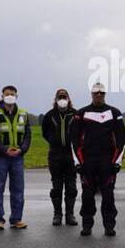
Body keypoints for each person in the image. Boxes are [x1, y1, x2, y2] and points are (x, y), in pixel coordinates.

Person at [70, 82, 125, 236]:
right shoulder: (81, 113)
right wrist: (78, 162)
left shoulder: (114, 112)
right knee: (87, 195)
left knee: (108, 196)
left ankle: (109, 226)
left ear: (105, 94)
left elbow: (121, 139)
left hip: (107, 161)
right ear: (92, 94)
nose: (99, 95)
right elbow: (74, 140)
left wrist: (117, 162)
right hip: (87, 161)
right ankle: (87, 225)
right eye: (96, 93)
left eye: (102, 93)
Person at [0, 85, 31, 230]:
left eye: (12, 94)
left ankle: (16, 219)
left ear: (16, 96)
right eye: (7, 94)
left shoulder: (23, 113)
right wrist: (4, 150)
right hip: (0, 157)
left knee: (18, 189)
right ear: (2, 96)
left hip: (18, 157)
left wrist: (22, 150)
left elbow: (27, 135)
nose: (10, 96)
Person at [42, 88, 78, 227]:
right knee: (56, 187)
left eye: (64, 97)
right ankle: (57, 214)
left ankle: (70, 214)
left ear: (68, 99)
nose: (62, 99)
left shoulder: (75, 114)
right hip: (55, 154)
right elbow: (45, 132)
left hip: (71, 154)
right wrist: (53, 140)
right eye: (60, 97)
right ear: (56, 99)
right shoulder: (49, 115)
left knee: (71, 186)